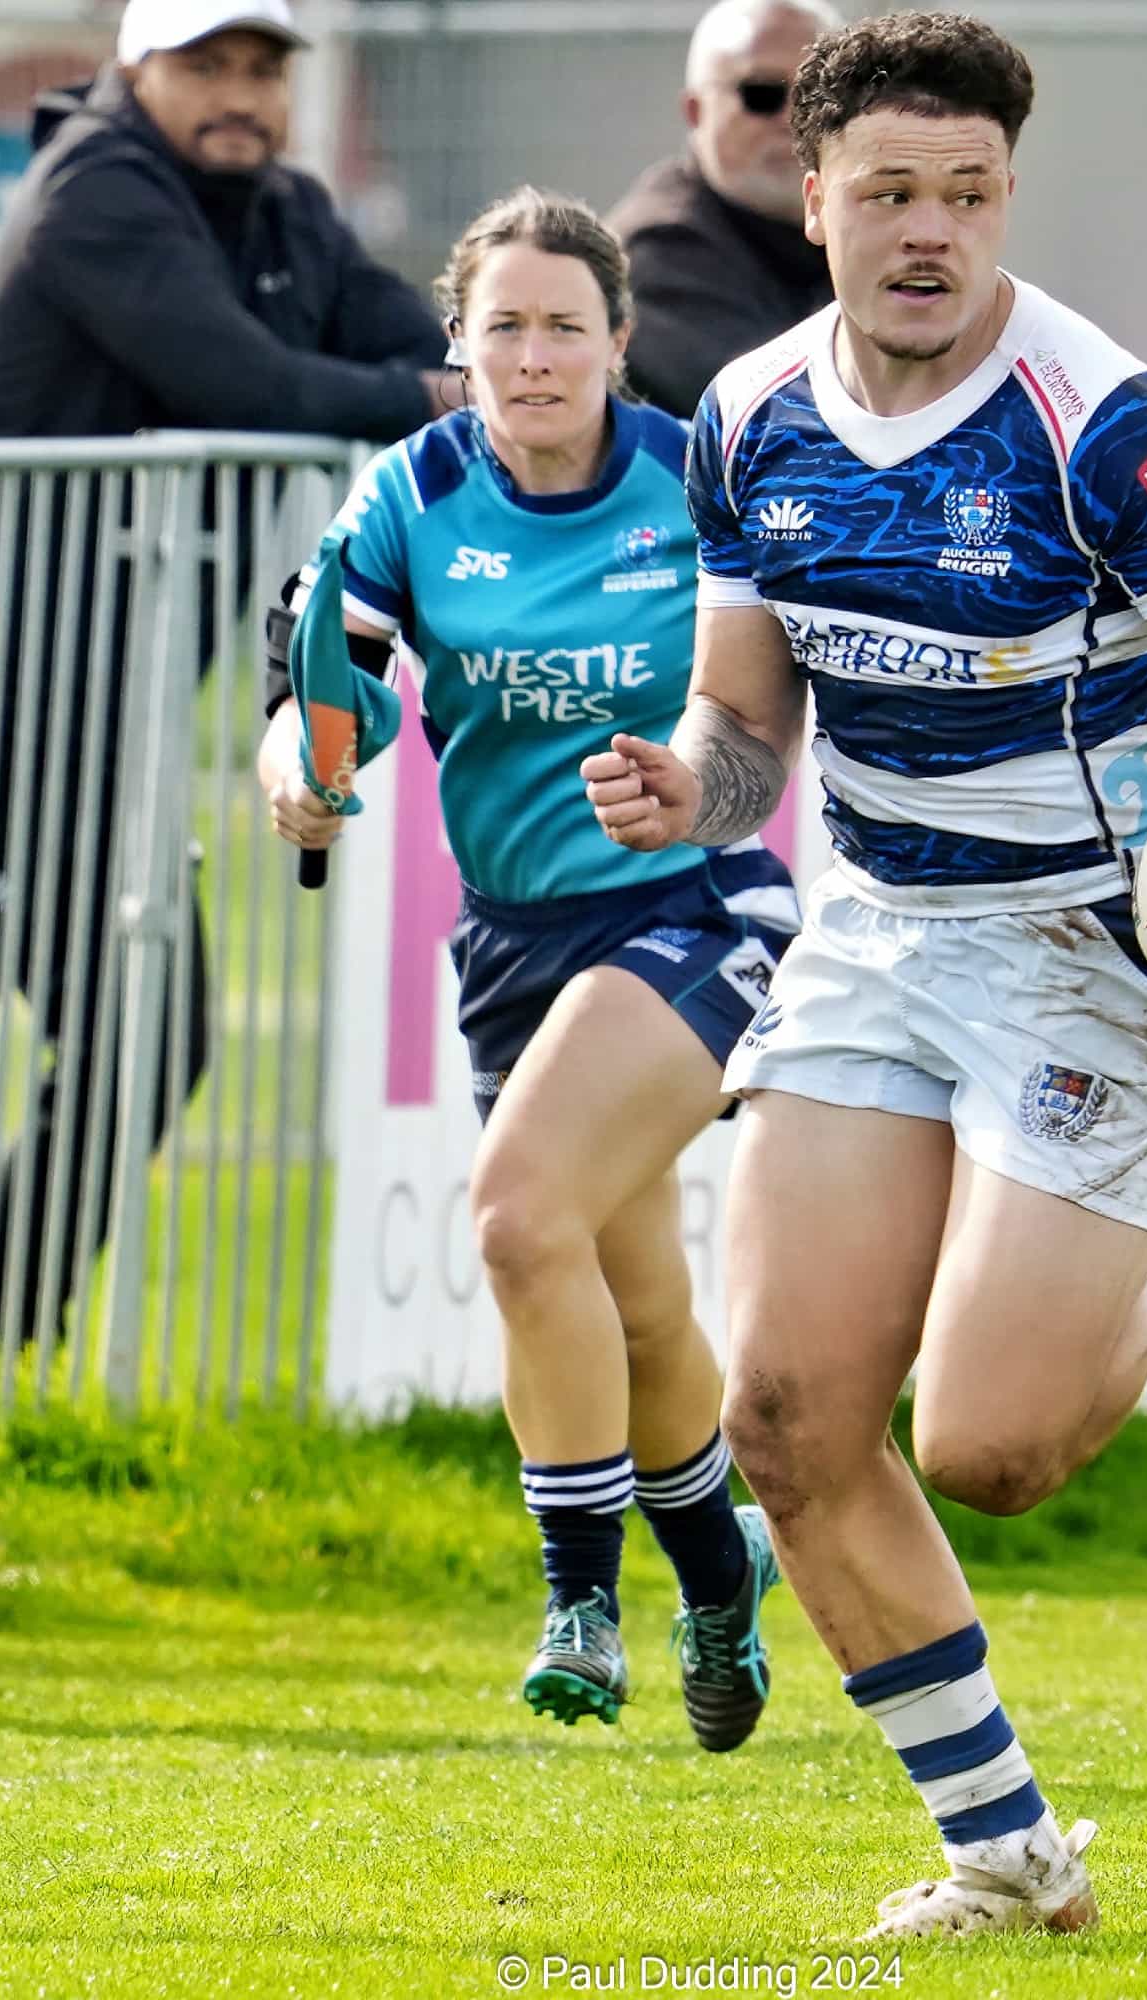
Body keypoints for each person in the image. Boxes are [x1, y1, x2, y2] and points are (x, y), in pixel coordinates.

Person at [583, 10, 1147, 1937]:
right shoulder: (748, 417)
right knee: (788, 1419)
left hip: (1089, 948)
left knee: (992, 1449)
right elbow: (744, 733)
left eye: (969, 193)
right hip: (873, 930)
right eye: (891, 194)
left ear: (1003, 201)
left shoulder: (1107, 423)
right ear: (816, 203)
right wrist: (679, 791)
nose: (932, 230)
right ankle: (1008, 1858)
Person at [259, 188, 798, 1748]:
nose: (538, 353)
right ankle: (720, 1572)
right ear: (460, 344)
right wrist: (297, 766)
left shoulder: (698, 481)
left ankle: (580, 1598)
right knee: (630, 1304)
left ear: (622, 343)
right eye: (506, 325)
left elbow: (773, 723)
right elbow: (322, 689)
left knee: (512, 1214)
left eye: (569, 325)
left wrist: (705, 780)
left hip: (694, 907)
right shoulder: (410, 495)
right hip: (512, 938)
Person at [0, 0, 453, 1357]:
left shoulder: (286, 212)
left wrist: (503, 365)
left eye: (264, 68)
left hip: (90, 716)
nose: (242, 95)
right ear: (132, 69)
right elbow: (242, 382)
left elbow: (431, 329)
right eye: (207, 63)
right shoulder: (96, 188)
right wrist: (438, 400)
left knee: (148, 1030)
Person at [606, 0, 840, 419]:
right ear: (696, 112)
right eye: (761, 95)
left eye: (815, 95)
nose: (793, 119)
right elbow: (779, 416)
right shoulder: (659, 250)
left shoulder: (852, 220)